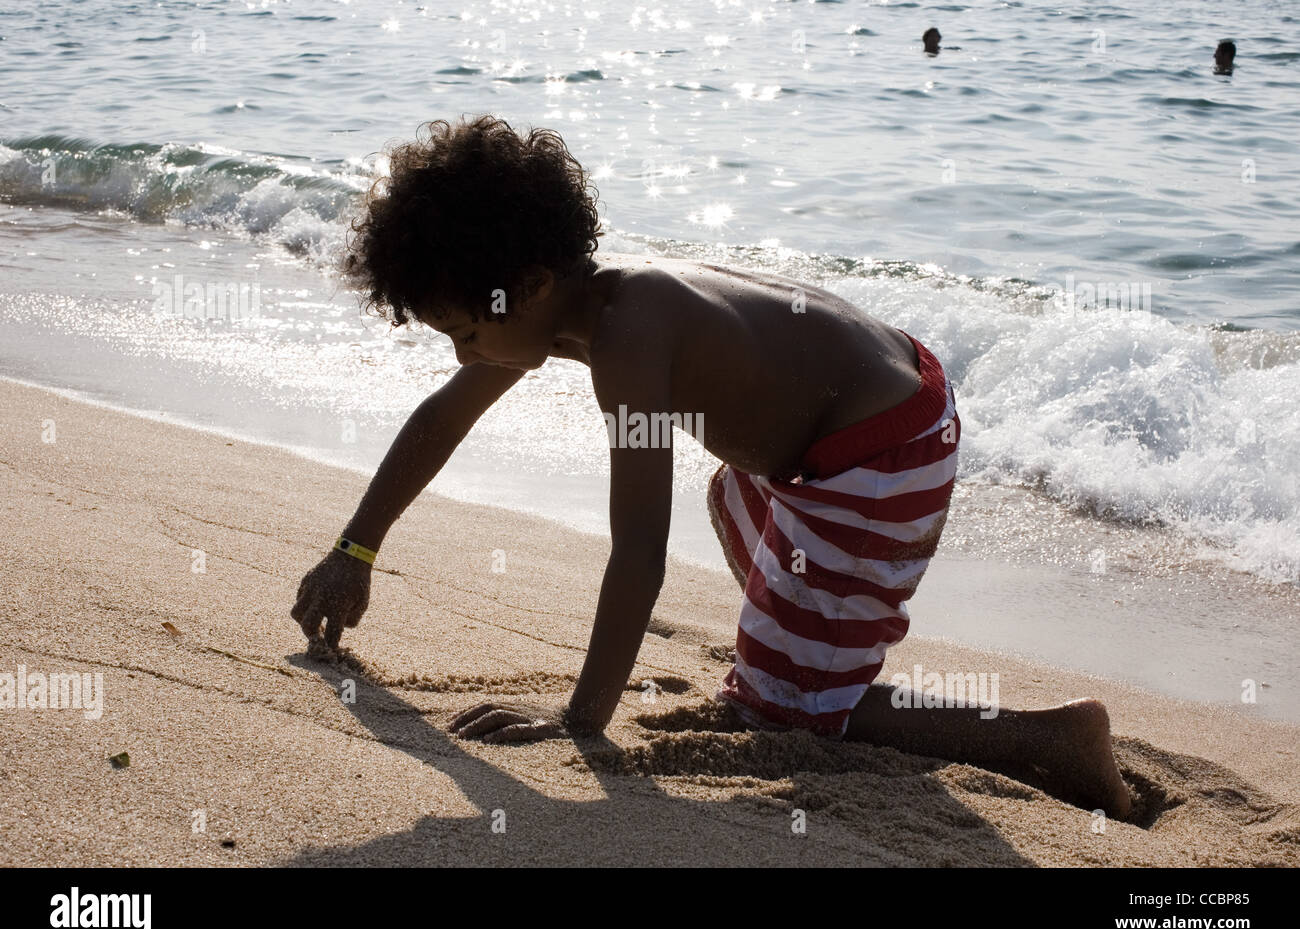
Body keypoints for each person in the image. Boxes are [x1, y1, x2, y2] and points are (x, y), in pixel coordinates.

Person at [291, 115, 1132, 818]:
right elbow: (442, 418)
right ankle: (812, 638)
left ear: (533, 282)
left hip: (882, 455)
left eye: (466, 333)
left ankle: (1050, 735)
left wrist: (581, 717)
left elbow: (639, 553)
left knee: (788, 708)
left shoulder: (629, 335)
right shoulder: (559, 312)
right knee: (730, 495)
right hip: (822, 441)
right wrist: (353, 550)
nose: (463, 352)